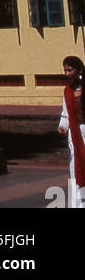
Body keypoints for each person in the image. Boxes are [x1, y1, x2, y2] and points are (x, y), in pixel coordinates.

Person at [58, 54, 85, 208]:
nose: (67, 73)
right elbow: (65, 114)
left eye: (70, 70)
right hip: (75, 135)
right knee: (76, 168)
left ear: (79, 70)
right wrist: (63, 126)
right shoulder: (67, 91)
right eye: (65, 70)